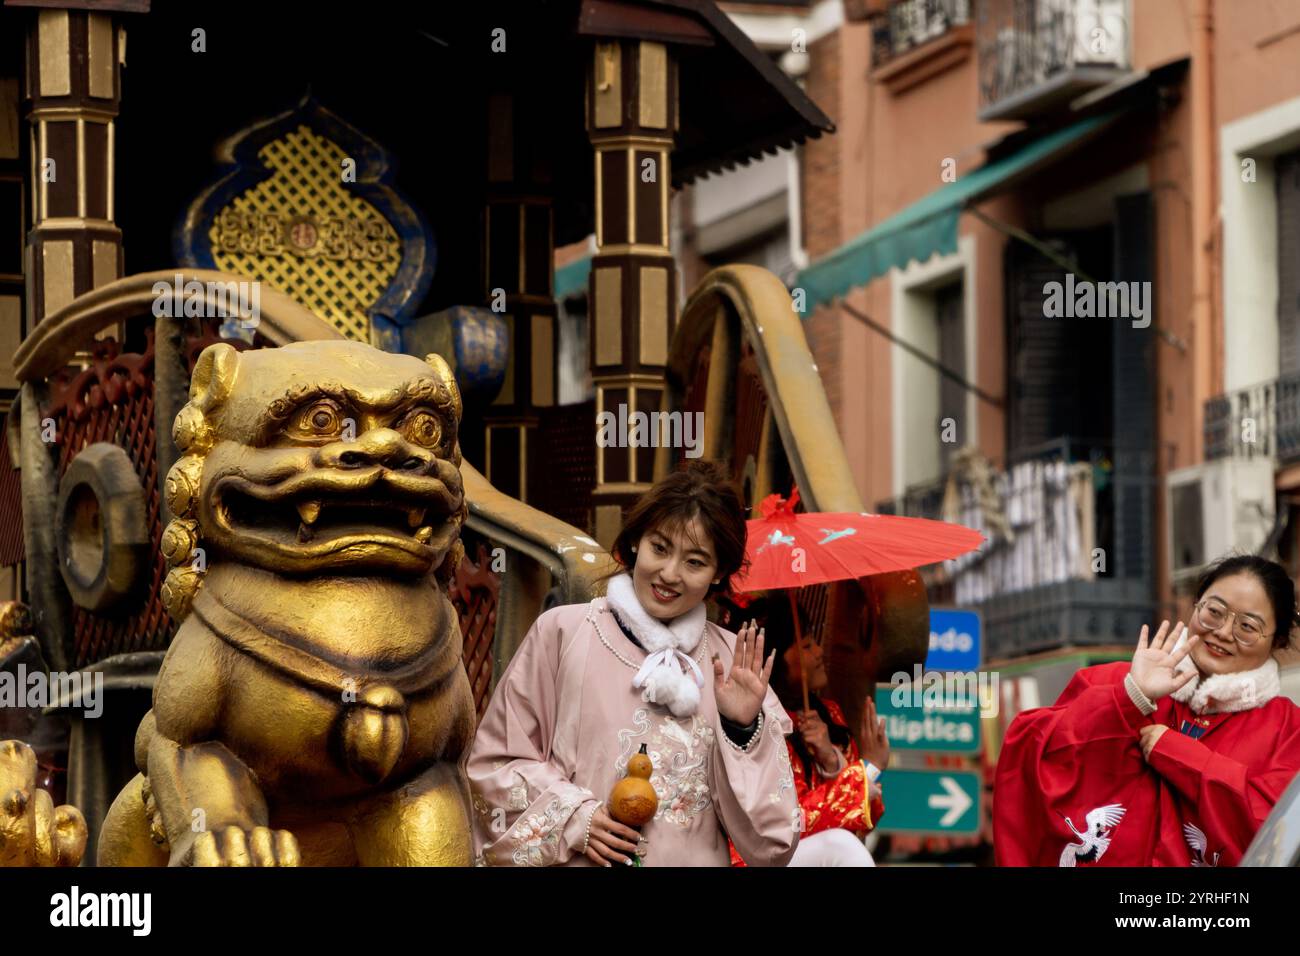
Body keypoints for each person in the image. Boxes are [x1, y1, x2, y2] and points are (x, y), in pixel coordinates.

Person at [465, 460, 799, 866]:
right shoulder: (563, 633)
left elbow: (774, 845)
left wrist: (742, 729)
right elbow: (493, 767)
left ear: (719, 573)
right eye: (660, 548)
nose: (670, 574)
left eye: (695, 562)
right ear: (637, 540)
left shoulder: (732, 667)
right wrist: (576, 818)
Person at [994, 553, 1300, 866]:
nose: (1222, 631)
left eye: (1247, 626)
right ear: (1194, 607)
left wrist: (1182, 757)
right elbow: (1029, 754)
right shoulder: (1116, 681)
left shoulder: (1289, 730)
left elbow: (1276, 833)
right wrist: (1129, 699)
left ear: (1275, 641)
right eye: (1214, 611)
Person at [723, 597, 889, 867]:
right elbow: (785, 824)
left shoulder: (829, 714)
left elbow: (863, 818)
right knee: (842, 848)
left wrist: (831, 760)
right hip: (753, 858)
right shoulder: (751, 721)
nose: (819, 652)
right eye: (806, 645)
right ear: (773, 659)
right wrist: (868, 768)